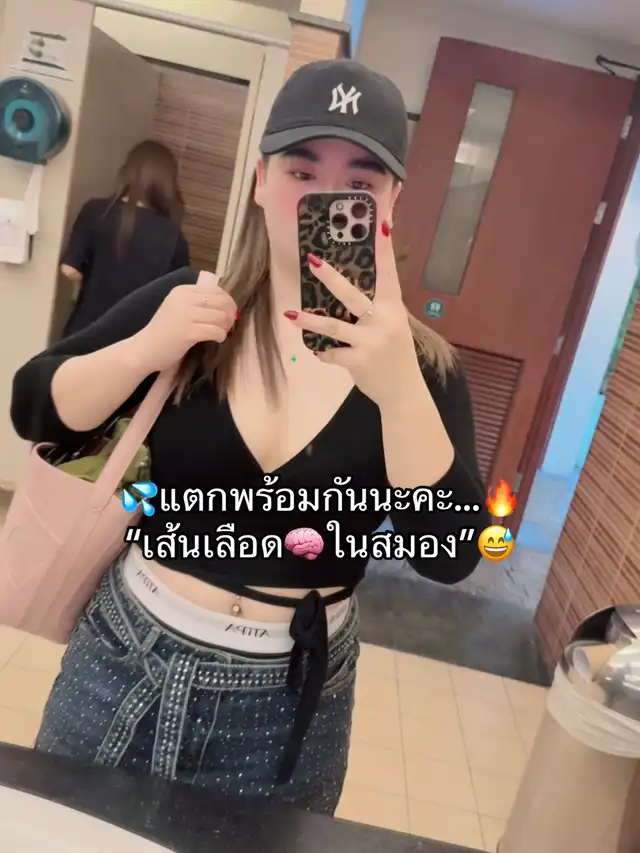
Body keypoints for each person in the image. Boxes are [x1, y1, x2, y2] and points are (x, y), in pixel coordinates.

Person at [11, 60, 491, 815]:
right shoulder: (191, 306)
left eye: (359, 183)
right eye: (302, 170)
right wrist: (144, 350)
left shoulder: (423, 369)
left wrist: (399, 389)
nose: (323, 198)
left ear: (392, 202)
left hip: (290, 701)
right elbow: (34, 407)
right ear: (262, 180)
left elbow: (453, 554)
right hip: (124, 655)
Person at [60, 140, 189, 336]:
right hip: (135, 341)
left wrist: (91, 283)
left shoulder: (96, 211)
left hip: (84, 334)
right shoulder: (172, 235)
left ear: (127, 172)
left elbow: (69, 269)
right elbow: (178, 298)